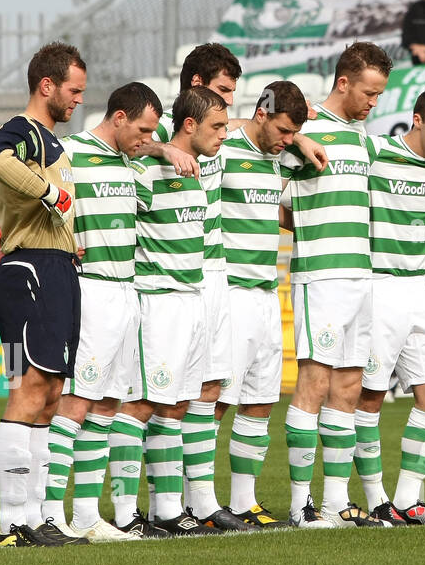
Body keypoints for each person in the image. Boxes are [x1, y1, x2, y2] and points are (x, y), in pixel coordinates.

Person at [32, 82, 168, 543]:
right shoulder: (69, 152)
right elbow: (18, 185)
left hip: (127, 293)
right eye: (143, 130)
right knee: (74, 402)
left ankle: (88, 516)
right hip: (89, 293)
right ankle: (49, 514)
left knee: (108, 404)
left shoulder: (136, 165)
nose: (147, 139)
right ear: (119, 118)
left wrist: (161, 152)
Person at [282, 42, 393, 529]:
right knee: (314, 382)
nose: (374, 102)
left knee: (349, 386)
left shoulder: (363, 137)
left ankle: (334, 503)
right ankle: (300, 504)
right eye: (369, 92)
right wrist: (308, 228)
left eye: (380, 94)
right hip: (321, 275)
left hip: (360, 275)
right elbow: (273, 195)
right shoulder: (303, 132)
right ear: (343, 82)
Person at [0, 43, 91, 548]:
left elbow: (2, 175)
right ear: (46, 85)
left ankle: (34, 517)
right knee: (29, 388)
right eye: (73, 91)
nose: (77, 101)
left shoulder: (51, 141)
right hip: (30, 268)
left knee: (49, 394)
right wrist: (49, 194)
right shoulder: (24, 131)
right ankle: (11, 524)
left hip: (55, 267)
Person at [352, 88, 425, 526]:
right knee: (369, 396)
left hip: (419, 290)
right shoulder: (378, 152)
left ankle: (406, 499)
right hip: (378, 286)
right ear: (417, 120)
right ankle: (376, 498)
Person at [126, 85, 232, 536]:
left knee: (177, 405)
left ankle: (167, 510)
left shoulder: (204, 167)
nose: (225, 135)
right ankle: (124, 513)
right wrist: (161, 148)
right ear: (189, 125)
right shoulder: (147, 170)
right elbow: (122, 153)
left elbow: (261, 132)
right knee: (142, 404)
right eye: (218, 126)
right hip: (159, 300)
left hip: (193, 298)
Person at [216, 80, 311, 530]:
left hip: (267, 292)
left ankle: (242, 502)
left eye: (295, 133)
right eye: (285, 130)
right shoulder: (221, 148)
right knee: (214, 402)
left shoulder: (281, 161)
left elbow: (279, 209)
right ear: (261, 114)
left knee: (259, 401)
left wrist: (299, 142)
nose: (288, 141)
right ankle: (188, 502)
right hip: (229, 292)